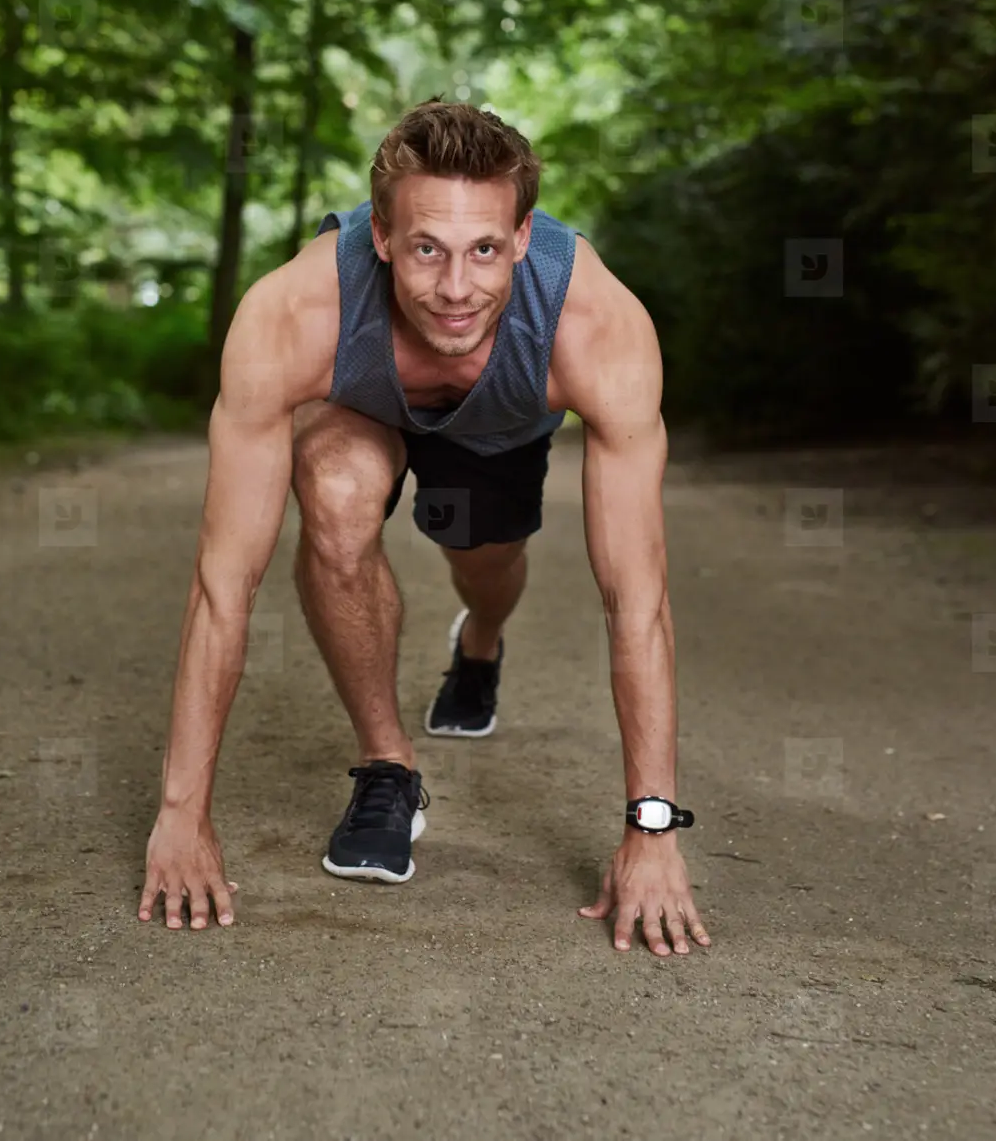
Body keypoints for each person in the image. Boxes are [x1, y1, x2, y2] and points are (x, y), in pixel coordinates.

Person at [138, 98, 711, 957]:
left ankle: (479, 640)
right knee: (331, 493)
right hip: (363, 413)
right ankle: (387, 767)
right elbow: (225, 584)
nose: (454, 288)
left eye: (485, 250)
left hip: (502, 430)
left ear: (523, 237)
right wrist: (181, 815)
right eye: (426, 249)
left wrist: (653, 829)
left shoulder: (595, 326)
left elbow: (637, 595)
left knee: (482, 562)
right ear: (381, 235)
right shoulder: (294, 314)